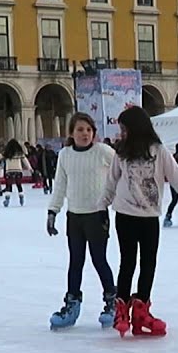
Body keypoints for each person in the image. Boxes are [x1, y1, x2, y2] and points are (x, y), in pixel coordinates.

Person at [96, 106, 178, 338]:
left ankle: (141, 311)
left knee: (148, 263)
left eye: (124, 129)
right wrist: (101, 207)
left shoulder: (159, 151)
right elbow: (111, 182)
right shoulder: (121, 153)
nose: (121, 133)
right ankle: (122, 310)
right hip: (125, 216)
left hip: (149, 218)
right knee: (127, 263)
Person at [47, 113, 118, 330]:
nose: (85, 133)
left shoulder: (103, 152)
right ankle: (71, 304)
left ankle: (112, 302)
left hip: (97, 215)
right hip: (75, 216)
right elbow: (60, 184)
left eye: (88, 129)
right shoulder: (65, 155)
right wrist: (53, 211)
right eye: (80, 129)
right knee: (75, 261)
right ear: (71, 133)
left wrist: (118, 199)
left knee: (99, 260)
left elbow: (120, 172)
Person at [1, 139, 30, 207]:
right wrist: (30, 168)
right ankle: (21, 197)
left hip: (9, 171)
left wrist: (3, 153)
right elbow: (25, 160)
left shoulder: (7, 153)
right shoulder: (19, 153)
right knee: (19, 185)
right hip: (18, 170)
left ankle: (7, 199)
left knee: (8, 185)